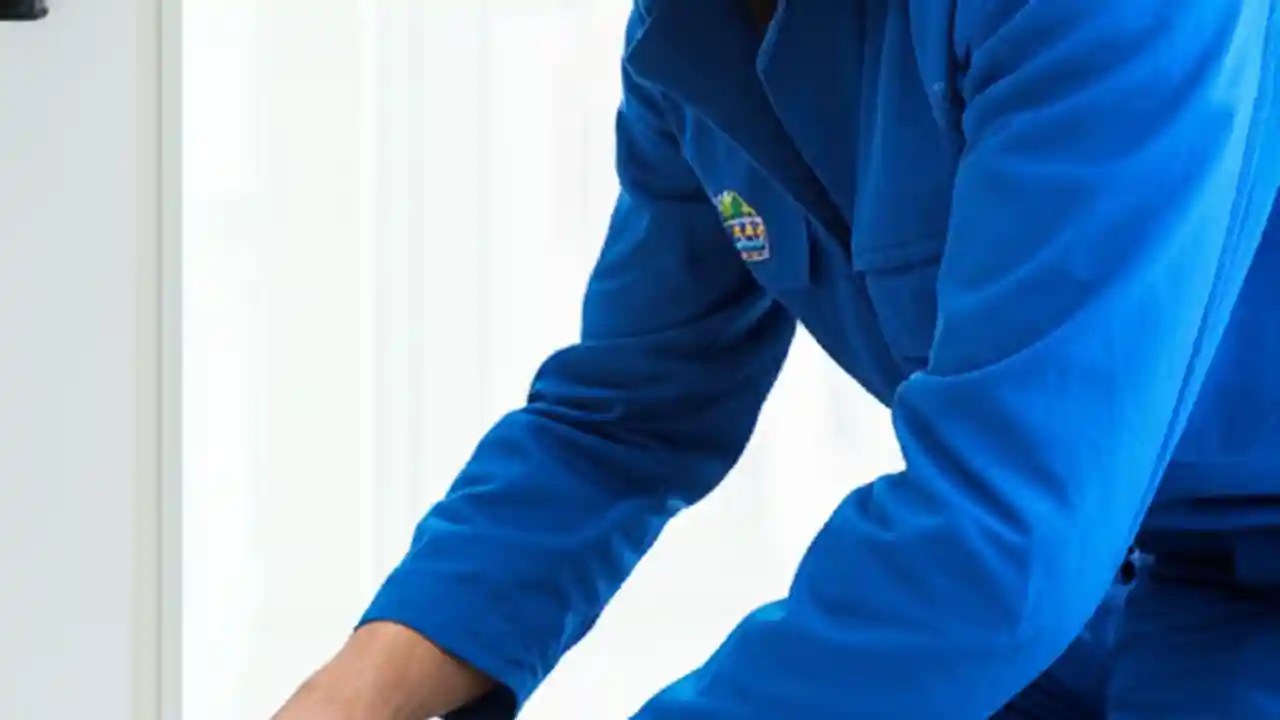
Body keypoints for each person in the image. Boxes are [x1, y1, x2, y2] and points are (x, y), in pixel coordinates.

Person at [276, 1, 1280, 717]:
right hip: (1131, 583)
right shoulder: (689, 40)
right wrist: (356, 693)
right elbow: (625, 420)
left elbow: (999, 539)